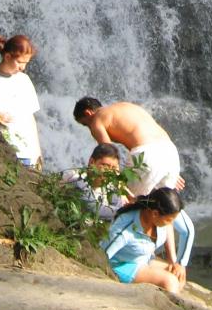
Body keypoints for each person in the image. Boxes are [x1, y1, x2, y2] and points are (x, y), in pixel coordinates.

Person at [73, 97, 193, 265]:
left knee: (131, 206)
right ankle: (173, 262)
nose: (89, 128)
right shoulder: (123, 107)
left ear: (88, 113)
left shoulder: (97, 119)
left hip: (147, 155)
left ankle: (126, 257)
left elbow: (109, 153)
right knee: (164, 207)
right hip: (169, 153)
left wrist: (118, 183)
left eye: (85, 124)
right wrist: (163, 167)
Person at [102, 187, 193, 293]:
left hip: (143, 259)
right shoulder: (124, 229)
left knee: (178, 275)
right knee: (169, 281)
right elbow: (102, 253)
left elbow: (173, 228)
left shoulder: (161, 219)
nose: (170, 223)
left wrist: (175, 263)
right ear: (155, 214)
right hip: (121, 265)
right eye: (169, 220)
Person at [0, 33, 42, 168]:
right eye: (20, 62)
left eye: (26, 63)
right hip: (0, 148)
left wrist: (37, 153)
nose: (23, 67)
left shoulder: (24, 81)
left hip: (26, 152)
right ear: (7, 57)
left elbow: (30, 118)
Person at [61, 142, 126, 221]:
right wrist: (125, 211)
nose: (109, 172)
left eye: (113, 168)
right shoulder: (76, 179)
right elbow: (94, 210)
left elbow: (118, 206)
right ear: (92, 162)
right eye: (105, 166)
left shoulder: (110, 186)